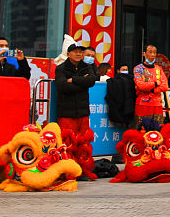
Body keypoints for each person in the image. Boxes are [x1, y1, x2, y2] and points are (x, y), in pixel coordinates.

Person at [55, 43, 100, 180]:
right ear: (68, 54)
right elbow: (62, 86)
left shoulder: (86, 67)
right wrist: (82, 83)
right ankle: (68, 172)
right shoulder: (61, 68)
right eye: (75, 52)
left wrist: (73, 80)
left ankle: (83, 170)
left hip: (83, 112)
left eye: (80, 52)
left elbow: (92, 81)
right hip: (66, 113)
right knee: (68, 144)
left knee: (84, 144)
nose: (79, 54)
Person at [132, 44, 168, 130]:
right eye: (150, 52)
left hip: (157, 104)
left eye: (155, 52)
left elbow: (165, 86)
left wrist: (151, 90)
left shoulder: (159, 69)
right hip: (143, 104)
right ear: (144, 54)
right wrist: (155, 84)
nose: (153, 55)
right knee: (141, 130)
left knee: (158, 131)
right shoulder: (138, 69)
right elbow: (140, 85)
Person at [104, 63, 136, 132]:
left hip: (129, 111)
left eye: (126, 70)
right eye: (123, 69)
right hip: (122, 112)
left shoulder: (132, 80)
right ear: (118, 71)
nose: (125, 71)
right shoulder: (114, 81)